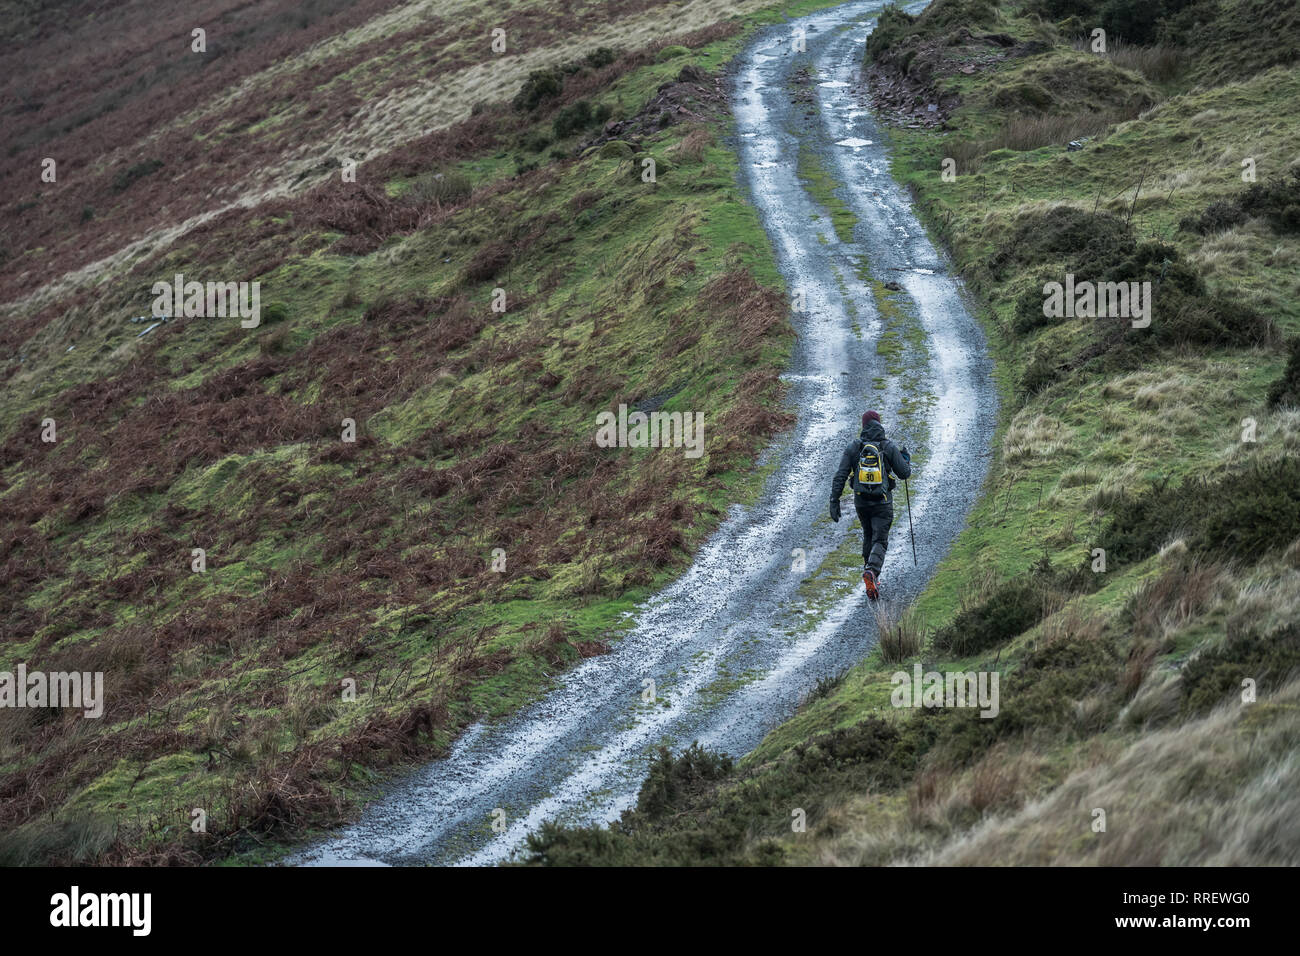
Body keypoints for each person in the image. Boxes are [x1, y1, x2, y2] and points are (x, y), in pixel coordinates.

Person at [828, 410, 911, 600]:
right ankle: (872, 572)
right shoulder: (887, 446)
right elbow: (905, 473)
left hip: (861, 502)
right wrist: (905, 458)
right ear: (879, 424)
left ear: (864, 426)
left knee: (868, 534)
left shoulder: (854, 447)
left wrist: (834, 500)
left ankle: (870, 576)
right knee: (880, 539)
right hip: (882, 502)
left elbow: (841, 475)